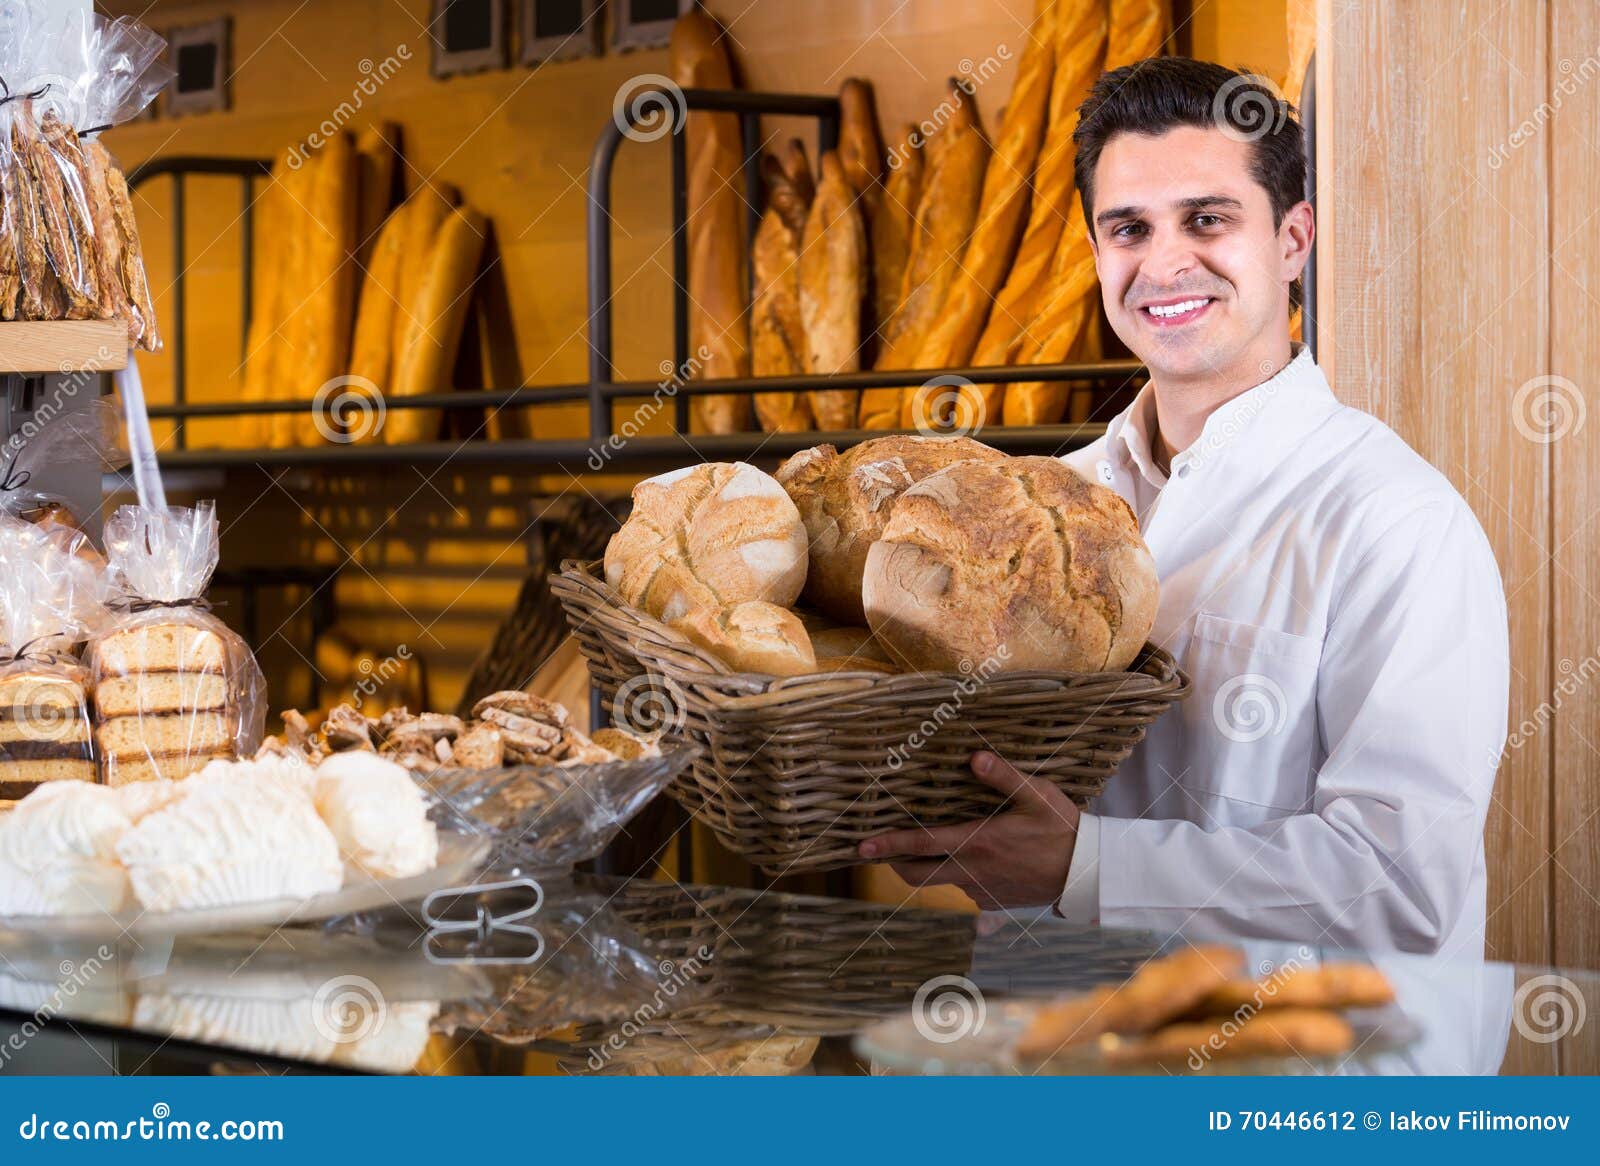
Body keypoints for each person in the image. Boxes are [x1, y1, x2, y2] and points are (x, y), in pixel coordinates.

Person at [860, 58, 1509, 958]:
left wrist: (1085, 868)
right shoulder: (1043, 502)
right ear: (1097, 256)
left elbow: (1404, 884)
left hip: (1304, 1048)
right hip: (1049, 1030)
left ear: (1293, 240)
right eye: (1129, 229)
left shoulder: (1396, 520)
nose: (1165, 264)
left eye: (1207, 219)